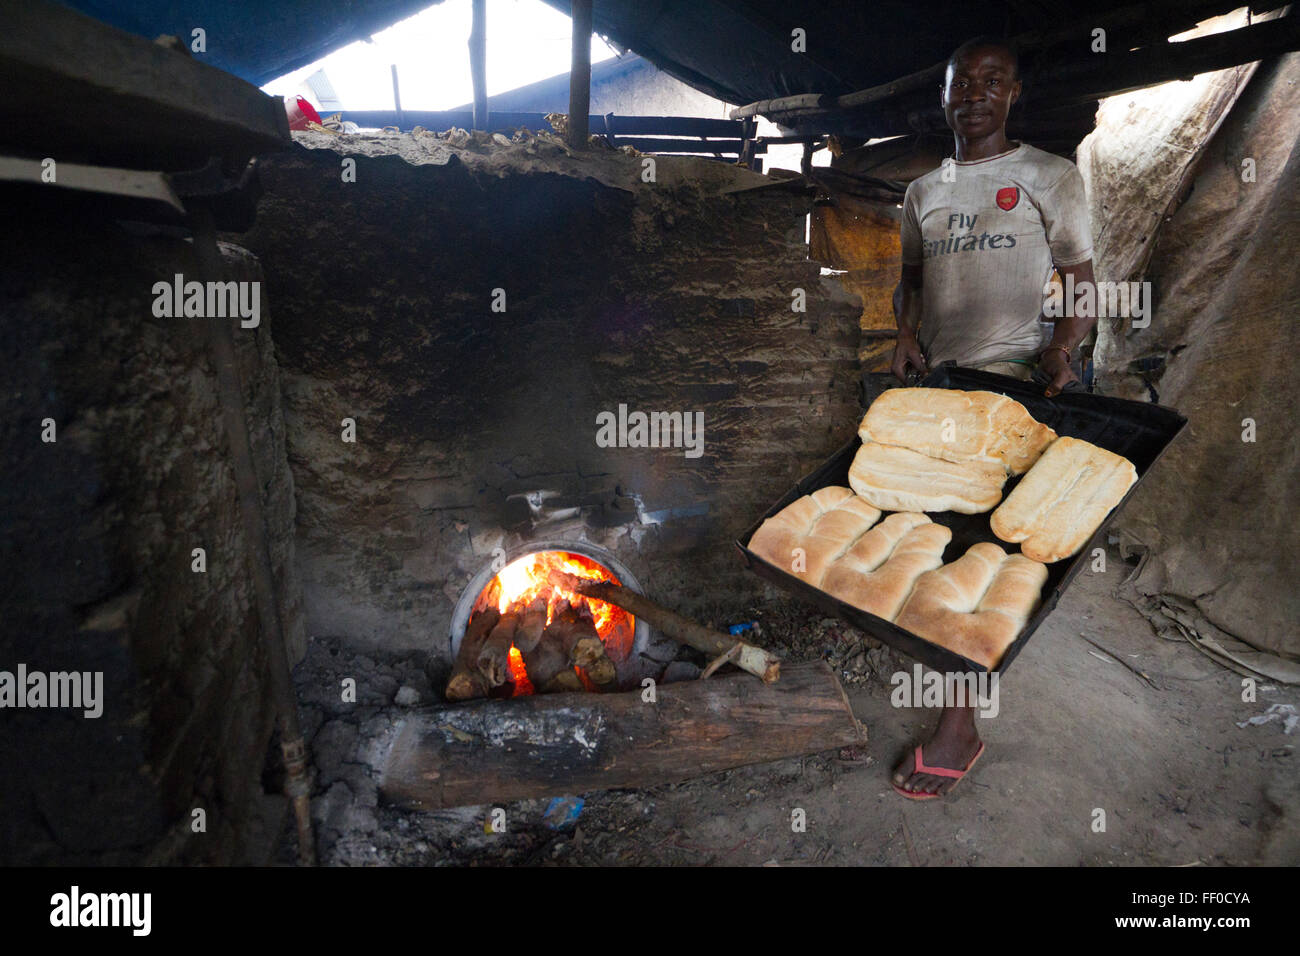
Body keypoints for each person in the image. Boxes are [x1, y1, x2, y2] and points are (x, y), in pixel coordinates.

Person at [889, 36, 1097, 798]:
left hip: (1011, 390)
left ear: (1013, 95)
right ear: (943, 97)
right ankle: (952, 698)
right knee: (933, 541)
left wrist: (1064, 349)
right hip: (938, 391)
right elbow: (908, 282)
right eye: (960, 83)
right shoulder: (922, 193)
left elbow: (1080, 275)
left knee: (974, 552)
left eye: (991, 82)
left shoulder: (1049, 176)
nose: (973, 94)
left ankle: (958, 726)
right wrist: (905, 336)